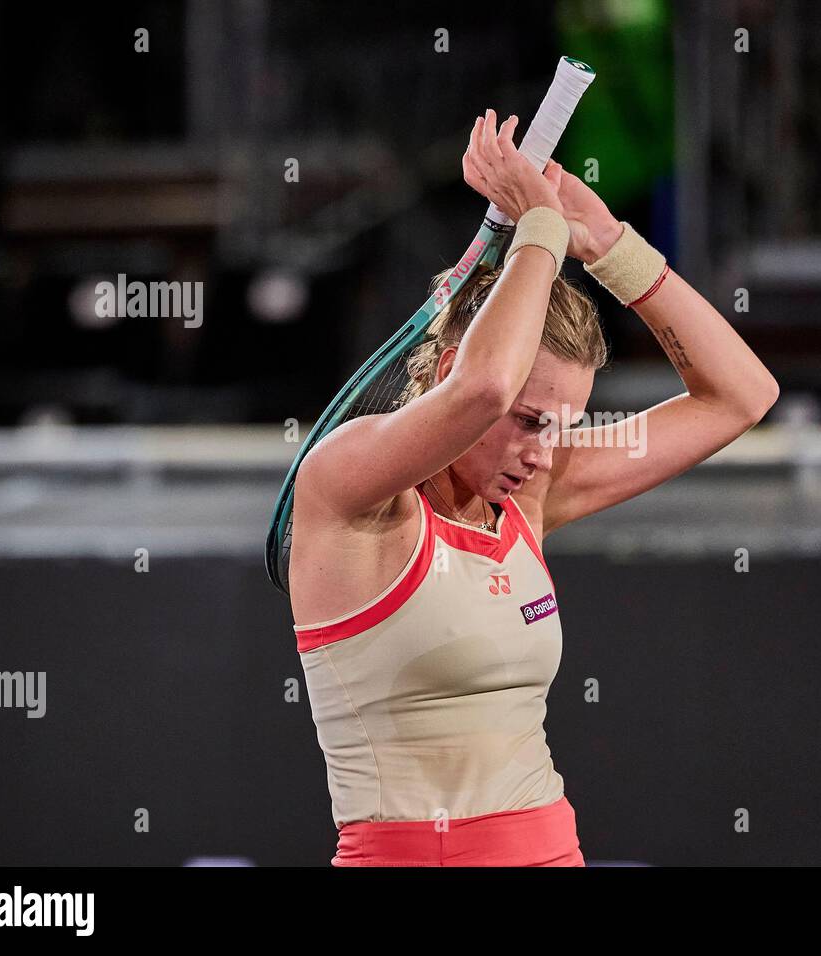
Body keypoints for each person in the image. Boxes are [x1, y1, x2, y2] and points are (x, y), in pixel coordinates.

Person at [288, 108, 779, 866]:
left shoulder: (531, 490)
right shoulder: (350, 486)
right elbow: (484, 388)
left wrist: (610, 245)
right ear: (445, 367)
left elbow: (740, 396)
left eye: (561, 424)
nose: (541, 449)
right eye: (528, 420)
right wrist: (540, 226)